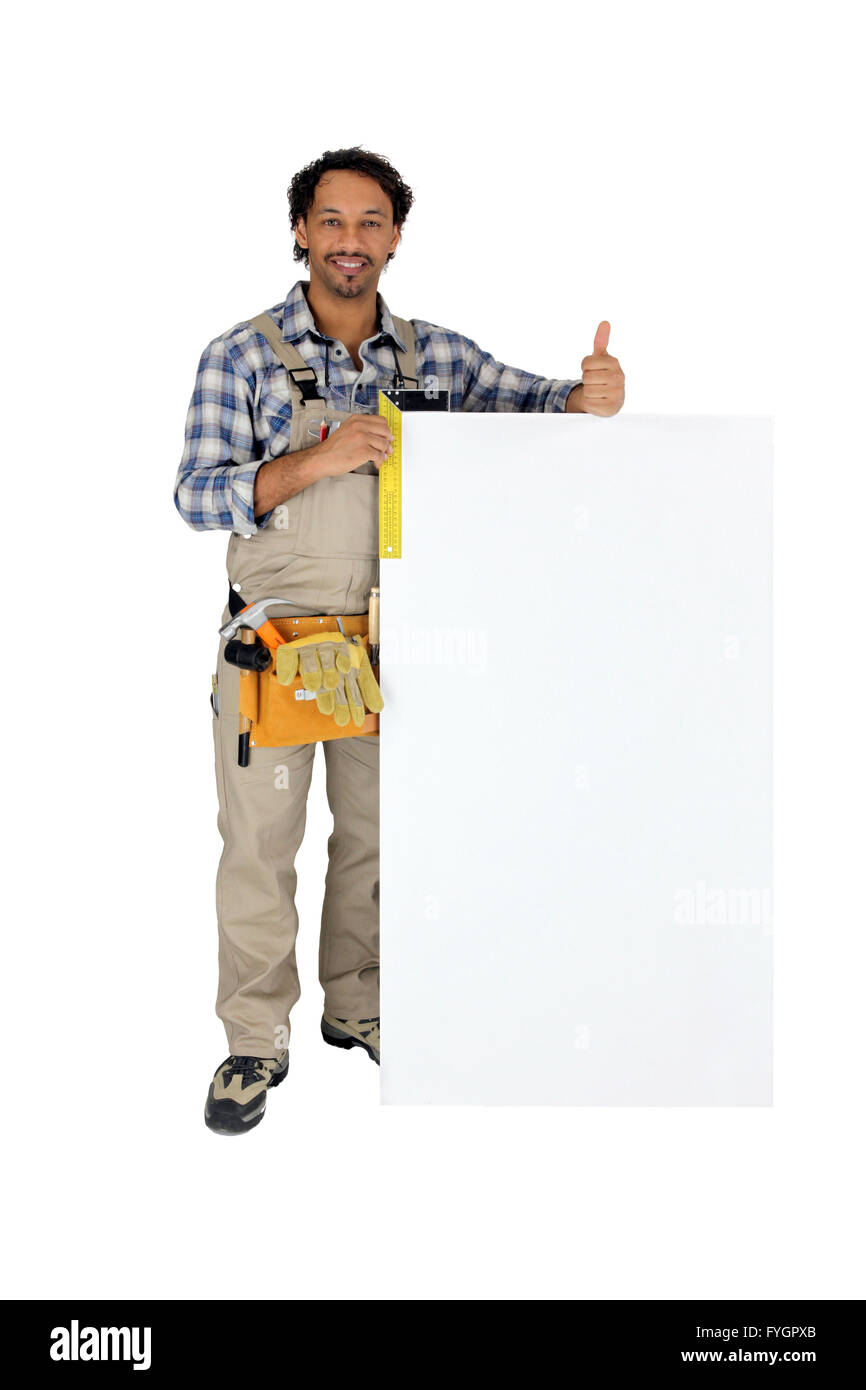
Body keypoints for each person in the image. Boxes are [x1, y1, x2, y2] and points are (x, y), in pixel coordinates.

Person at [174, 145, 626, 1135]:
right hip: (274, 646)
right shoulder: (241, 356)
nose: (350, 240)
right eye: (331, 221)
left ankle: (358, 1004)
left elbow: (532, 405)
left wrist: (585, 396)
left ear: (392, 237)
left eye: (369, 222)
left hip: (388, 644)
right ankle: (253, 1040)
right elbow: (196, 494)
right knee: (259, 846)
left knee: (377, 842)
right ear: (301, 232)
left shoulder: (433, 358)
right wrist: (313, 459)